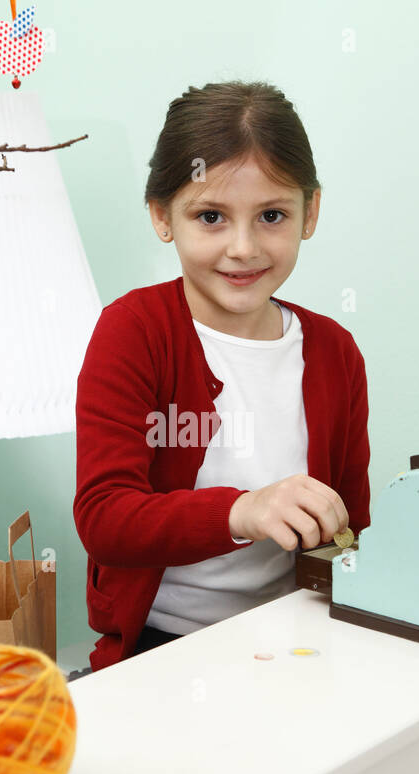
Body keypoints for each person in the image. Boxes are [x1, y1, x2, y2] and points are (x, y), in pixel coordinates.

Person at [73, 80, 370, 671]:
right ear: (162, 216)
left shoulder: (335, 352)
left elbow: (351, 526)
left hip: (299, 639)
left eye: (271, 216)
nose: (243, 247)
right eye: (211, 216)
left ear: (310, 212)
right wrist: (244, 511)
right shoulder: (133, 332)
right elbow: (105, 516)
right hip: (161, 648)